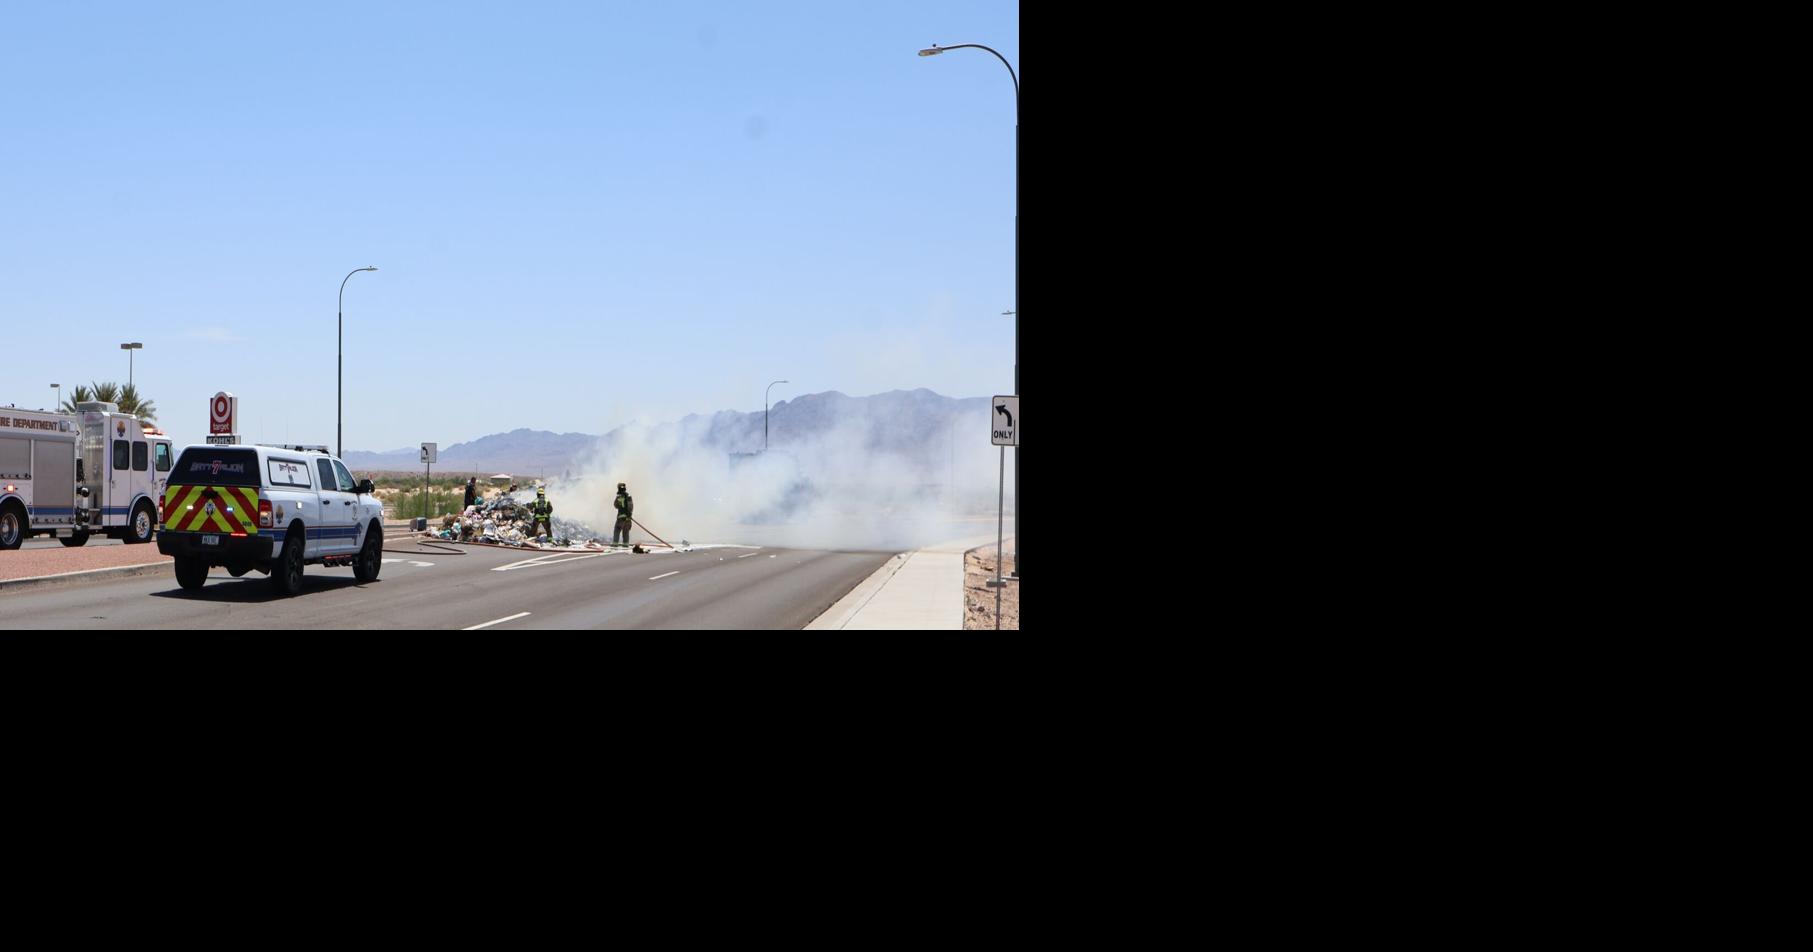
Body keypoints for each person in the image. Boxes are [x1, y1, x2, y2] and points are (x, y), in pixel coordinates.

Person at [613, 482, 633, 547]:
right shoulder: (629, 496)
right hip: (628, 518)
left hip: (621, 517)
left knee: (617, 530)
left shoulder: (619, 496)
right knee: (626, 532)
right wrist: (629, 515)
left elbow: (615, 505)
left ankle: (615, 544)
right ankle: (625, 544)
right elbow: (631, 506)